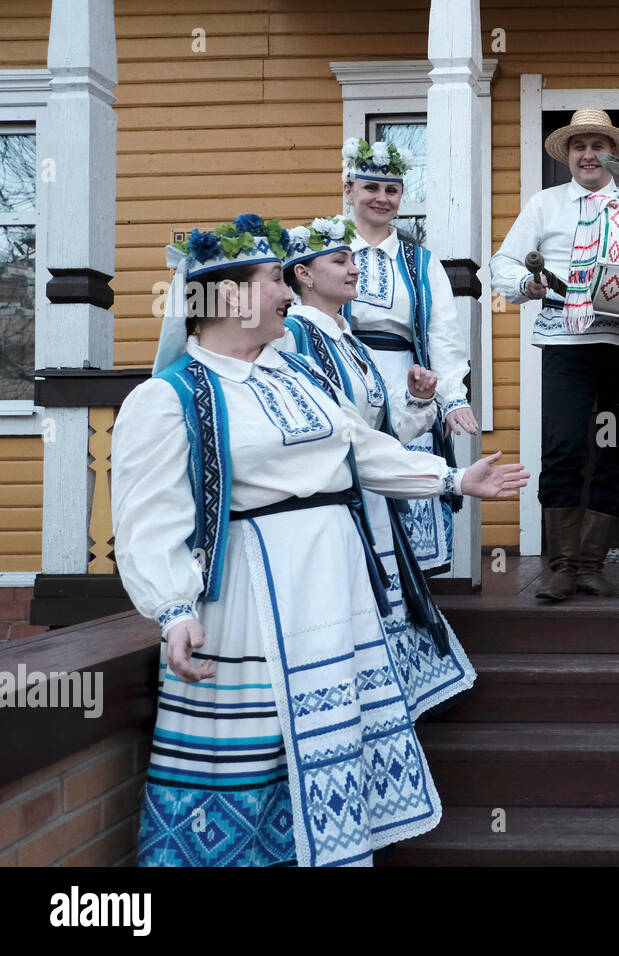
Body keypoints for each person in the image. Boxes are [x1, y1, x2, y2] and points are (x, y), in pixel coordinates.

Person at [115, 215, 528, 866]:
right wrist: (173, 610)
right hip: (257, 596)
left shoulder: (295, 373)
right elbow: (150, 516)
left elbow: (361, 449)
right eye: (274, 279)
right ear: (228, 298)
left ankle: (333, 847)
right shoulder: (171, 397)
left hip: (332, 586)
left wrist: (451, 477)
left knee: (329, 736)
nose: (286, 293)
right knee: (263, 739)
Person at [280, 214, 476, 719]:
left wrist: (416, 400)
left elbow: (382, 434)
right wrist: (452, 478)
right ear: (302, 274)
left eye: (353, 259)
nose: (355, 270)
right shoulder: (295, 339)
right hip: (335, 508)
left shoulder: (351, 343)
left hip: (367, 502)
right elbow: (344, 442)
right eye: (341, 260)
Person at [490, 108, 619, 601]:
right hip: (565, 342)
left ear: (613, 154)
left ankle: (592, 566)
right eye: (579, 146)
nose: (588, 154)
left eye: (599, 145)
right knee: (563, 449)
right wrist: (526, 285)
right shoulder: (546, 204)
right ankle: (562, 566)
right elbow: (502, 264)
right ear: (569, 156)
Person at [343, 136, 474, 579]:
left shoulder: (421, 263)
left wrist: (452, 399)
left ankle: (412, 609)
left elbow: (444, 336)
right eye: (370, 188)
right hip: (342, 381)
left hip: (407, 384)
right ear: (349, 191)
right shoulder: (326, 253)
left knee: (406, 484)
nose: (382, 199)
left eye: (392, 190)